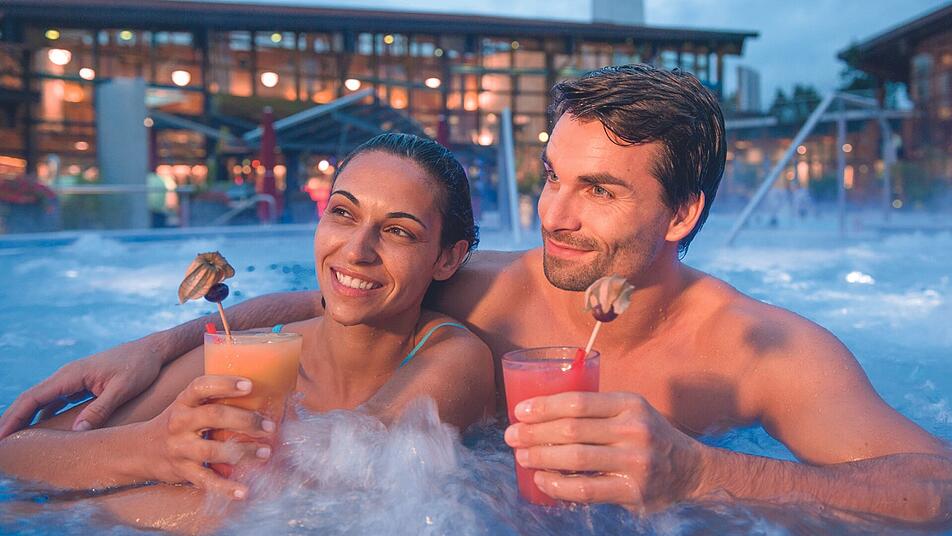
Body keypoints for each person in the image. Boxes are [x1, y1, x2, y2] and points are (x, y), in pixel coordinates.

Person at [2, 65, 949, 525]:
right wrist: (161, 346)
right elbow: (331, 300)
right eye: (552, 175)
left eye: (602, 190)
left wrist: (706, 473)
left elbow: (936, 489)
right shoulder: (492, 290)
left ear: (684, 211)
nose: (556, 216)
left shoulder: (758, 352)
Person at [0, 133, 495, 513]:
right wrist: (148, 448)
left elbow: (307, 503)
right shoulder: (252, 354)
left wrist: (101, 498)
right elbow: (15, 456)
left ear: (447, 259)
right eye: (343, 213)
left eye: (398, 231)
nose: (356, 251)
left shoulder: (450, 356)